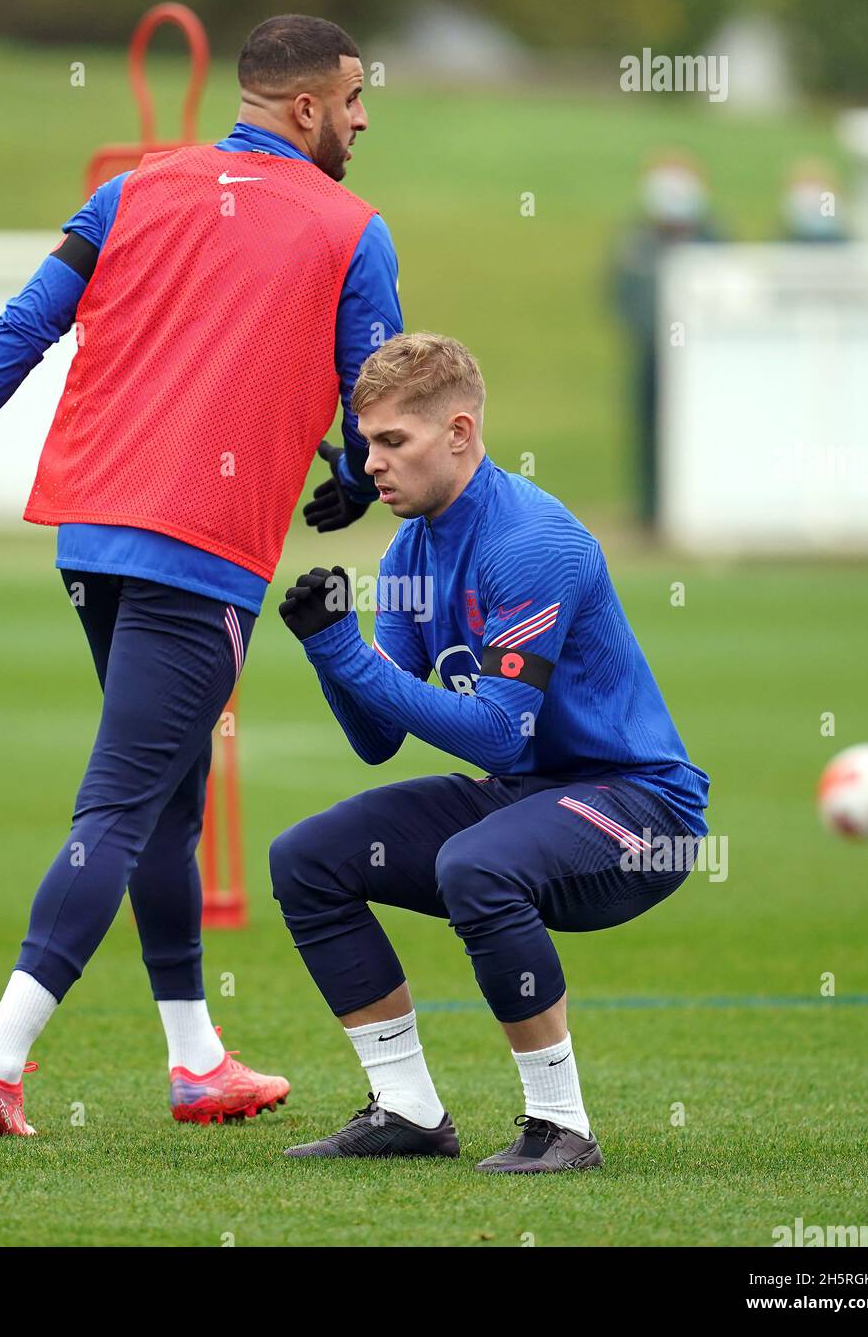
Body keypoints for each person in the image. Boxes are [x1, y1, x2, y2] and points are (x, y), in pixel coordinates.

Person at [0, 14, 403, 1135]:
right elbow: (378, 394)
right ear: (305, 108)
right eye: (355, 102)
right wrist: (357, 477)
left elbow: (28, 323)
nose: (363, 122)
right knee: (124, 796)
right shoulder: (355, 228)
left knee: (168, 792)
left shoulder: (134, 191)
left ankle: (195, 1055)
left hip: (92, 535)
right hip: (199, 549)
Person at [272, 332, 709, 1172]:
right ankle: (405, 1110)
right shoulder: (408, 551)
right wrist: (332, 649)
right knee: (308, 859)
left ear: (461, 433)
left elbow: (497, 731)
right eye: (366, 443)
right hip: (530, 795)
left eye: (393, 442)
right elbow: (376, 740)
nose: (371, 467)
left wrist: (351, 656)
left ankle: (562, 1126)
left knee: (476, 866)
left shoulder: (534, 542)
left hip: (645, 809)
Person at [609, 151, 722, 527]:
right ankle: (650, 512)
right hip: (651, 353)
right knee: (649, 429)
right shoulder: (636, 240)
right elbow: (620, 293)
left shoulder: (713, 239)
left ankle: (701, 509)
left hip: (705, 360)